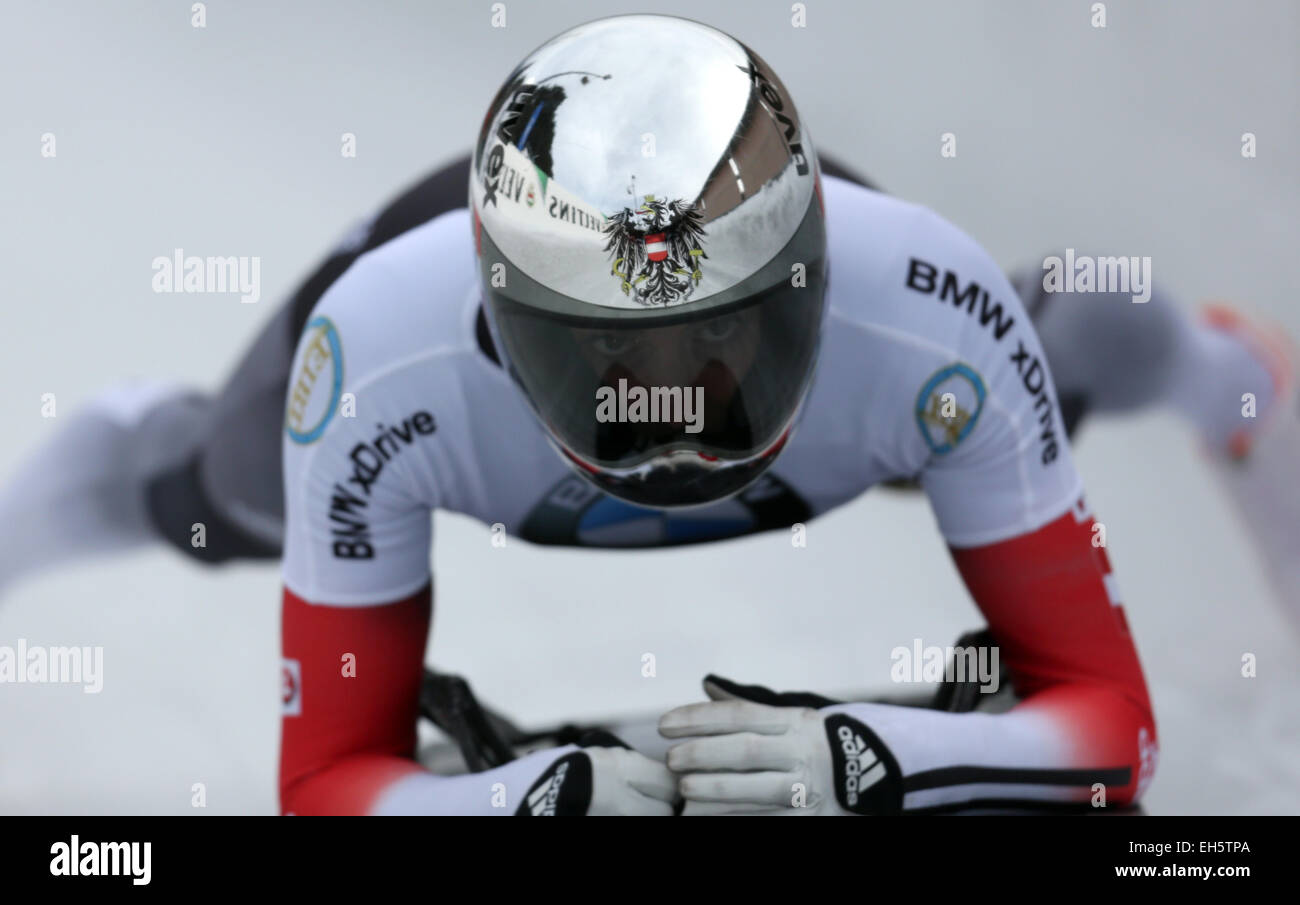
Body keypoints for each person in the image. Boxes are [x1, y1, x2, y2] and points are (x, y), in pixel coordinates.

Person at [0, 14, 1291, 814]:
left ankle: (1236, 381)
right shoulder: (377, 354)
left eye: (719, 340)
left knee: (1094, 331)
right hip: (425, 309)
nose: (673, 420)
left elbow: (1121, 728)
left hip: (857, 368)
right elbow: (320, 785)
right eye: (606, 362)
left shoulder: (923, 308)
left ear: (812, 287)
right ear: (502, 325)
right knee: (209, 497)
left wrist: (856, 757)